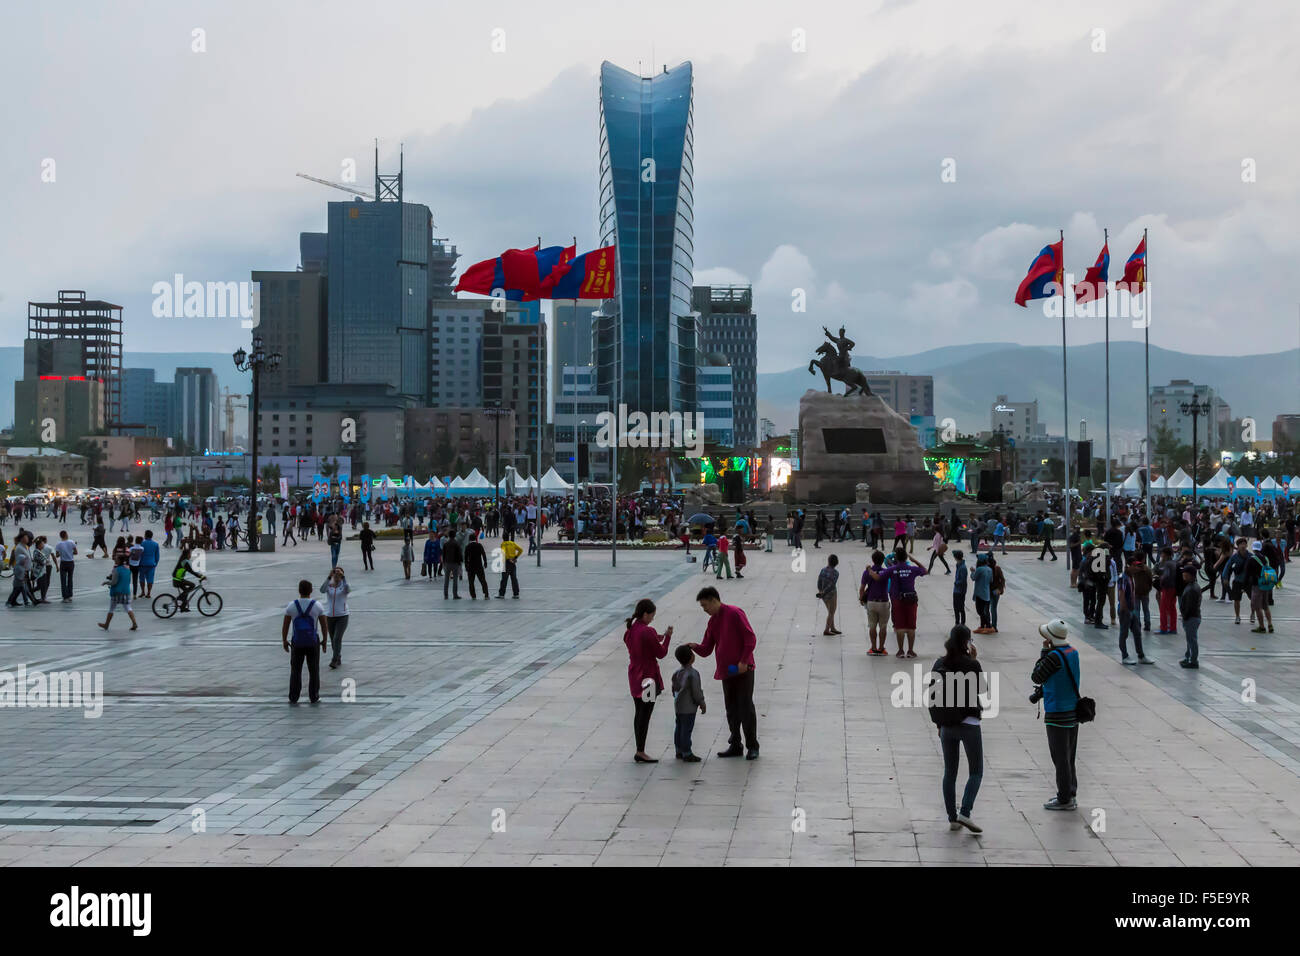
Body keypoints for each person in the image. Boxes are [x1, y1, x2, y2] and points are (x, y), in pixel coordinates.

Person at [690, 586, 759, 759]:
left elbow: (750, 639)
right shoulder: (713, 621)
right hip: (727, 670)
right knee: (731, 708)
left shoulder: (735, 613)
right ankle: (735, 744)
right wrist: (694, 647)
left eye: (705, 605)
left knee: (745, 707)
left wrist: (743, 660)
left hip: (742, 669)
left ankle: (752, 745)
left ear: (714, 600)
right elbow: (706, 649)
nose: (705, 610)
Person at [928, 625, 984, 833]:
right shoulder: (971, 664)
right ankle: (965, 812)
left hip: (947, 725)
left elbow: (932, 695)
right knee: (976, 771)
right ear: (967, 642)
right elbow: (982, 689)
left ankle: (952, 817)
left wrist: (938, 723)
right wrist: (975, 660)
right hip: (969, 723)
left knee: (949, 772)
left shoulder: (939, 663)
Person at [1031, 619, 1081, 811]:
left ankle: (1064, 798)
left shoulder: (1053, 657)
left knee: (1060, 758)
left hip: (1057, 712)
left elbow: (1036, 676)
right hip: (1073, 711)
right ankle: (1070, 792)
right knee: (1069, 756)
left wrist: (1044, 652)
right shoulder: (1073, 652)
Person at [624, 598, 672, 763]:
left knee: (638, 712)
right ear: (645, 614)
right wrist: (668, 638)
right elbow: (661, 653)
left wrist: (661, 635)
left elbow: (647, 640)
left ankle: (639, 749)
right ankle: (641, 751)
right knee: (646, 713)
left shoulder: (630, 630)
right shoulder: (647, 631)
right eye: (652, 615)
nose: (652, 618)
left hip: (634, 676)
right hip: (649, 678)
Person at [282, 579, 327, 704]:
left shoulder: (292, 606)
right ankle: (314, 696)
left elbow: (285, 625)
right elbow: (324, 625)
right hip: (313, 642)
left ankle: (294, 696)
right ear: (311, 591)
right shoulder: (317, 605)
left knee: (295, 670)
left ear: (299, 590)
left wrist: (284, 640)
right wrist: (324, 641)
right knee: (314, 670)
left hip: (297, 642)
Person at [670, 644, 706, 762]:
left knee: (679, 727)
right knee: (687, 729)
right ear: (691, 657)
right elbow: (696, 691)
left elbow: (674, 688)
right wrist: (701, 702)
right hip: (689, 707)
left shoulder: (677, 672)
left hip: (678, 706)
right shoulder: (693, 674)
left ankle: (679, 750)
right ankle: (687, 752)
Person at [1117, 560, 1153, 664]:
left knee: (1137, 632)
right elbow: (1121, 594)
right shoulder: (1123, 578)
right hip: (1126, 610)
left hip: (1132, 610)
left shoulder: (1130, 577)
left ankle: (1141, 656)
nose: (1138, 569)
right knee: (1124, 634)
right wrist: (1124, 609)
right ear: (1129, 566)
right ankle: (1125, 656)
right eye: (1136, 566)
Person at [859, 550, 891, 656]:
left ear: (873, 560)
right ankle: (881, 648)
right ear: (882, 561)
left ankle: (873, 648)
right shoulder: (885, 572)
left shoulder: (867, 572)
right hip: (883, 602)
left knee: (872, 625)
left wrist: (861, 599)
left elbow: (862, 588)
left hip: (871, 601)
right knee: (883, 626)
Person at [98, 554, 139, 631]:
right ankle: (134, 623)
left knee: (111, 609)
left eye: (116, 559)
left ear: (119, 560)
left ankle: (106, 624)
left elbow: (114, 582)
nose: (115, 560)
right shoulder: (128, 569)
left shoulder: (116, 570)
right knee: (128, 608)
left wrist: (106, 582)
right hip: (126, 592)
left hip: (116, 592)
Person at [320, 567, 350, 669]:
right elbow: (322, 590)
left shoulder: (344, 585)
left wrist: (343, 577)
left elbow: (348, 589)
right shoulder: (329, 585)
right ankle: (338, 656)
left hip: (342, 616)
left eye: (339, 574)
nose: (336, 576)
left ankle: (334, 659)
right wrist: (329, 577)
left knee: (337, 638)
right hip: (329, 616)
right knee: (333, 640)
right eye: (335, 573)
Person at [1246, 540, 1276, 634]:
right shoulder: (1265, 558)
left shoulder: (1252, 559)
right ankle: (1270, 625)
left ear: (1253, 549)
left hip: (1257, 585)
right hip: (1266, 584)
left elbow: (1248, 573)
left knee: (1257, 607)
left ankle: (1262, 627)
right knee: (1265, 606)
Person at [1178, 564, 1202, 669]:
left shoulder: (1192, 588)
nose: (1183, 576)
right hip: (1192, 616)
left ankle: (1193, 660)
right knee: (1190, 639)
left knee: (1192, 640)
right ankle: (1188, 657)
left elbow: (1190, 606)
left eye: (1185, 574)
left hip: (1191, 617)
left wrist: (1185, 616)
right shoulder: (1191, 585)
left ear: (1191, 575)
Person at [171, 546, 206, 611]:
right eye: (190, 554)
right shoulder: (185, 562)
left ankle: (183, 607)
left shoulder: (183, 560)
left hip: (178, 579)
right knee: (192, 585)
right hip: (178, 580)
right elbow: (192, 571)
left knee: (186, 591)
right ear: (187, 555)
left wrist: (200, 575)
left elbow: (192, 570)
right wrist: (201, 576)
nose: (190, 555)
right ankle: (179, 598)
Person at [816, 554, 840, 636]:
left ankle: (832, 627)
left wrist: (820, 591)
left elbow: (819, 581)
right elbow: (832, 585)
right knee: (831, 612)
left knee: (830, 611)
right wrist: (824, 592)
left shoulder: (823, 570)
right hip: (831, 594)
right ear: (836, 563)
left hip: (823, 594)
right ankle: (826, 629)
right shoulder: (836, 573)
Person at [971, 553, 993, 633]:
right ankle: (983, 626)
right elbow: (991, 580)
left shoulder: (979, 569)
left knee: (980, 610)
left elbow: (973, 578)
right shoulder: (989, 569)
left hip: (979, 593)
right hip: (986, 592)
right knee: (985, 610)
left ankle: (988, 626)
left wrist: (972, 571)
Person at [464, 533, 489, 599]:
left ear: (469, 539)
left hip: (471, 566)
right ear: (476, 539)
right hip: (479, 566)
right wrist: (485, 563)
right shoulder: (479, 545)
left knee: (471, 582)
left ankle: (473, 595)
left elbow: (465, 558)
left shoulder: (467, 546)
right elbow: (483, 554)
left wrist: (466, 566)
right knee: (483, 580)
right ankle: (486, 594)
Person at [55, 530, 77, 602]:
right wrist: (70, 552)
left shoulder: (58, 544)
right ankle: (70, 595)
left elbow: (57, 555)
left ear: (60, 536)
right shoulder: (71, 542)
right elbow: (76, 552)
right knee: (70, 579)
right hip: (71, 562)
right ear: (66, 535)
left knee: (63, 580)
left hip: (63, 563)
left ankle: (65, 597)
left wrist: (62, 553)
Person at [139, 529, 160, 598]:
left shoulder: (142, 544)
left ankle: (142, 592)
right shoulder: (156, 544)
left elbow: (139, 554)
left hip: (142, 564)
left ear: (145, 535)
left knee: (142, 578)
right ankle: (148, 593)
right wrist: (155, 564)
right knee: (150, 579)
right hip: (151, 564)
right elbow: (157, 556)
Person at [442, 531, 463, 599]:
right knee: (455, 580)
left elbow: (443, 554)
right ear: (454, 536)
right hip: (455, 563)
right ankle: (455, 594)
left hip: (447, 563)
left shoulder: (446, 544)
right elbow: (459, 554)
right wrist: (460, 562)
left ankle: (446, 595)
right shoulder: (456, 543)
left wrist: (444, 562)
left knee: (446, 579)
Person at [951, 550, 967, 626]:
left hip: (960, 591)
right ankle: (957, 622)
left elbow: (963, 580)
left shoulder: (963, 568)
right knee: (955, 607)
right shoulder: (959, 565)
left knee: (960, 607)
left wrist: (956, 583)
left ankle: (962, 623)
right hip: (956, 590)